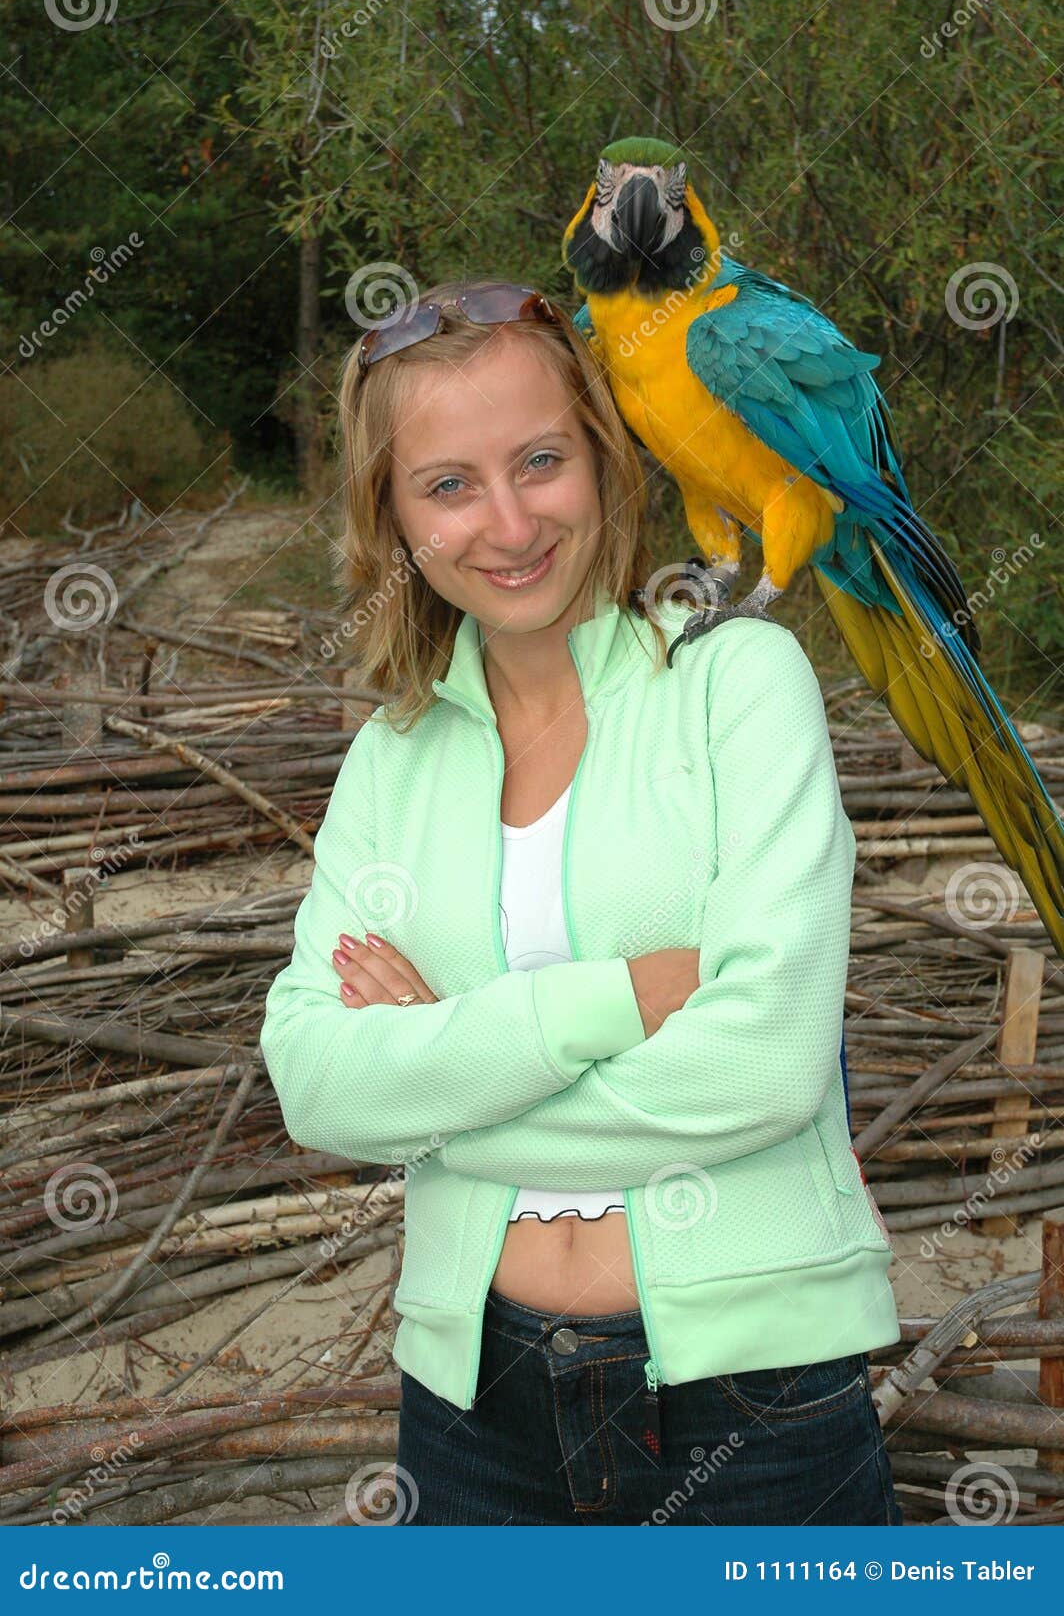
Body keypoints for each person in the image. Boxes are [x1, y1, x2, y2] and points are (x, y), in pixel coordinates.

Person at [259, 277, 904, 1526]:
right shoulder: (391, 759)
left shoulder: (738, 685)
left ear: (604, 459)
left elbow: (765, 1067)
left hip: (754, 1399)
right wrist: (614, 1000)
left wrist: (439, 1083)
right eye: (447, 485)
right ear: (392, 518)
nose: (506, 523)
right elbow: (315, 1083)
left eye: (539, 460)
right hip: (468, 1404)